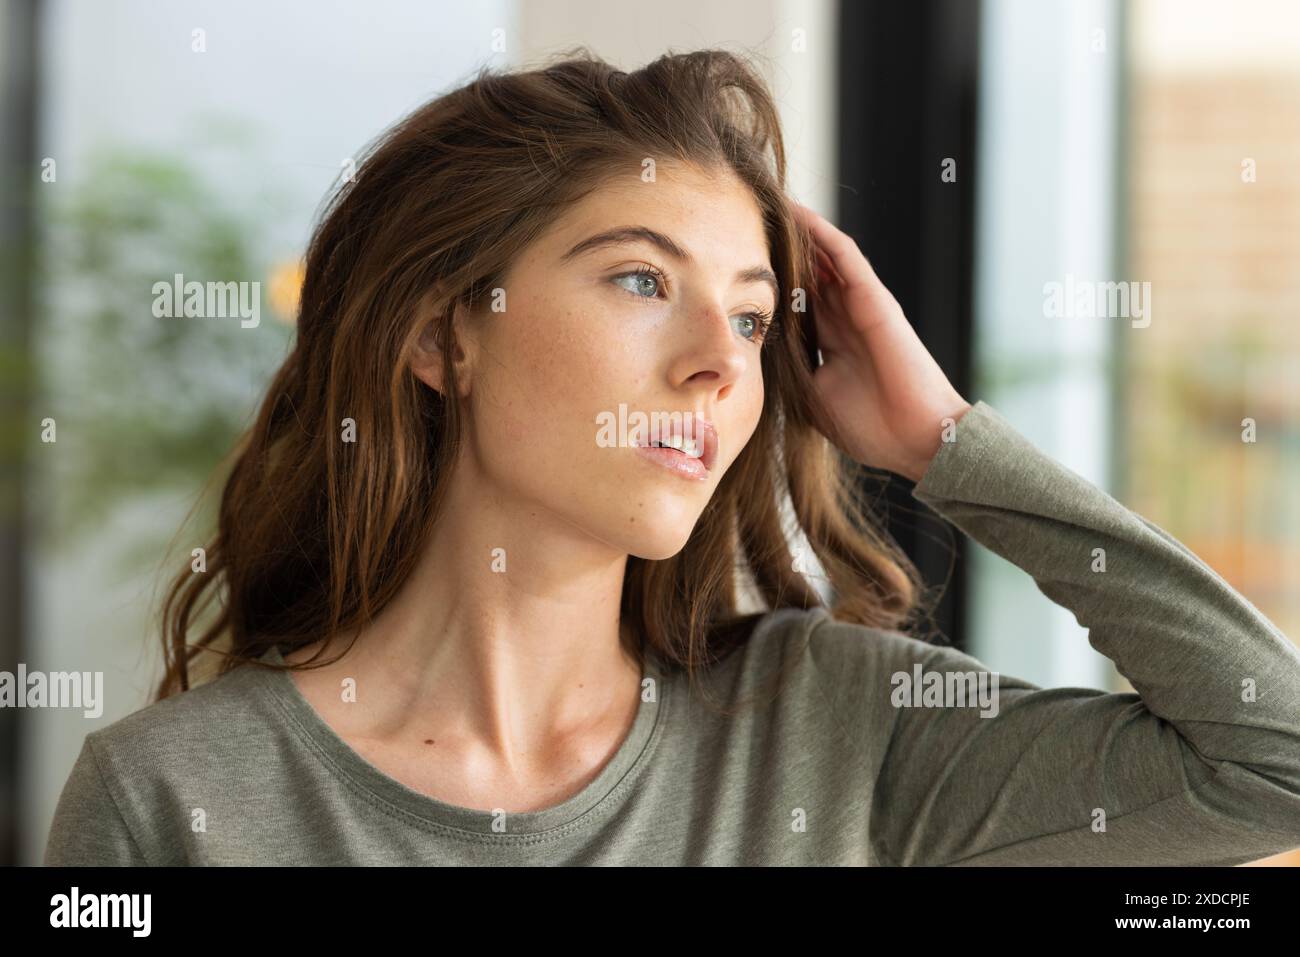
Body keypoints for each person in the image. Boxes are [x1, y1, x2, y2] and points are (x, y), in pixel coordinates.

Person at [45, 48, 1300, 866]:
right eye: (643, 279)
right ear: (441, 337)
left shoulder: (834, 729)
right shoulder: (177, 801)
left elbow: (1271, 761)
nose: (716, 359)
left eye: (754, 318)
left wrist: (941, 441)